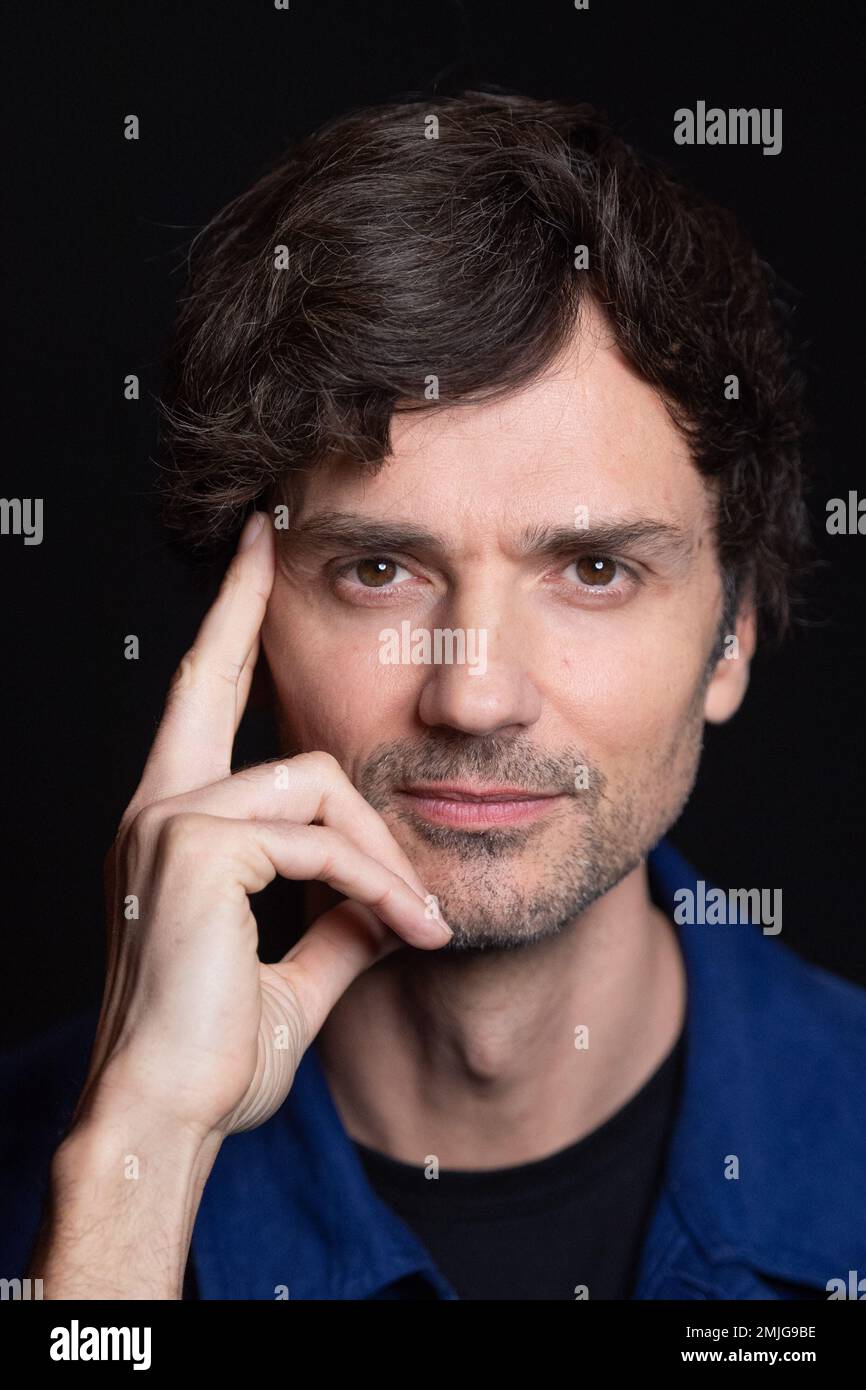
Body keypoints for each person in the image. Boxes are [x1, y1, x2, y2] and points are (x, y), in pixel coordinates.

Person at [3, 90, 865, 1302]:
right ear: (240, 634)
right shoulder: (44, 1176)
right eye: (376, 570)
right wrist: (134, 1164)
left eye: (592, 570)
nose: (471, 695)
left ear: (729, 639)